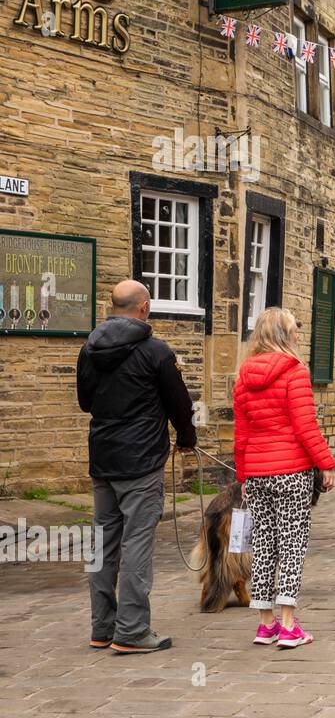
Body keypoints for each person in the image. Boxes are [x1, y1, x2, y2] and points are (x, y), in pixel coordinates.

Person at [77, 279, 195, 654]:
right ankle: (131, 630)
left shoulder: (89, 348)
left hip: (103, 458)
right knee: (137, 543)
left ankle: (102, 627)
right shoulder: (156, 351)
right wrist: (187, 438)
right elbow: (180, 404)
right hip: (141, 461)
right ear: (143, 307)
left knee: (103, 543)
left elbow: (85, 402)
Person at [233, 307, 335, 649]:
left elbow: (241, 433)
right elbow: (305, 426)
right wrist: (325, 463)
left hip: (257, 473)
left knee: (264, 544)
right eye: (294, 329)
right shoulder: (294, 371)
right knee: (292, 544)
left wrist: (243, 474)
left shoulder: (244, 375)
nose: (298, 335)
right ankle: (290, 625)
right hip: (291, 471)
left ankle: (266, 624)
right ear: (282, 335)